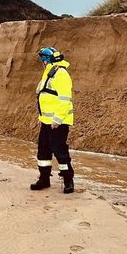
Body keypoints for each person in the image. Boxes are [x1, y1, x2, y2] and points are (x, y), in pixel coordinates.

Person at [31, 46, 74, 194]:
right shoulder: (49, 73)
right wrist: (42, 118)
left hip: (58, 122)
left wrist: (57, 119)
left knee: (60, 151)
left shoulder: (60, 74)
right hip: (47, 121)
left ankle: (68, 180)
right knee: (43, 151)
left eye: (41, 60)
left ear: (45, 60)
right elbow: (46, 97)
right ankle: (44, 179)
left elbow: (64, 99)